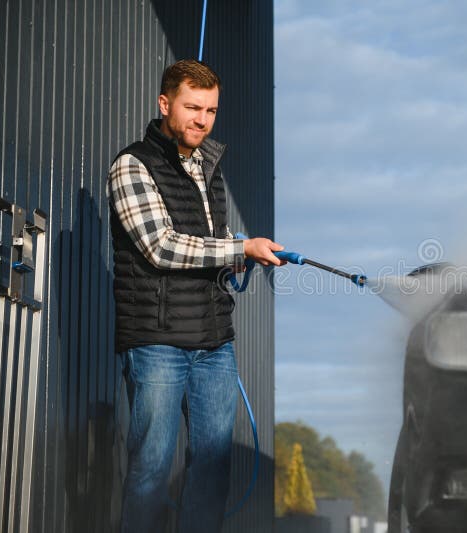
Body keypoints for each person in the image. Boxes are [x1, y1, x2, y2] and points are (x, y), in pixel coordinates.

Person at [106, 59, 283, 532]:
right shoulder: (131, 165)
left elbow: (209, 244)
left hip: (214, 344)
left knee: (211, 471)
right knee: (151, 469)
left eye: (211, 110)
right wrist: (239, 245)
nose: (202, 119)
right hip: (157, 341)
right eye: (192, 107)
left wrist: (238, 258)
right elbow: (160, 245)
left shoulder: (211, 170)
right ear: (166, 104)